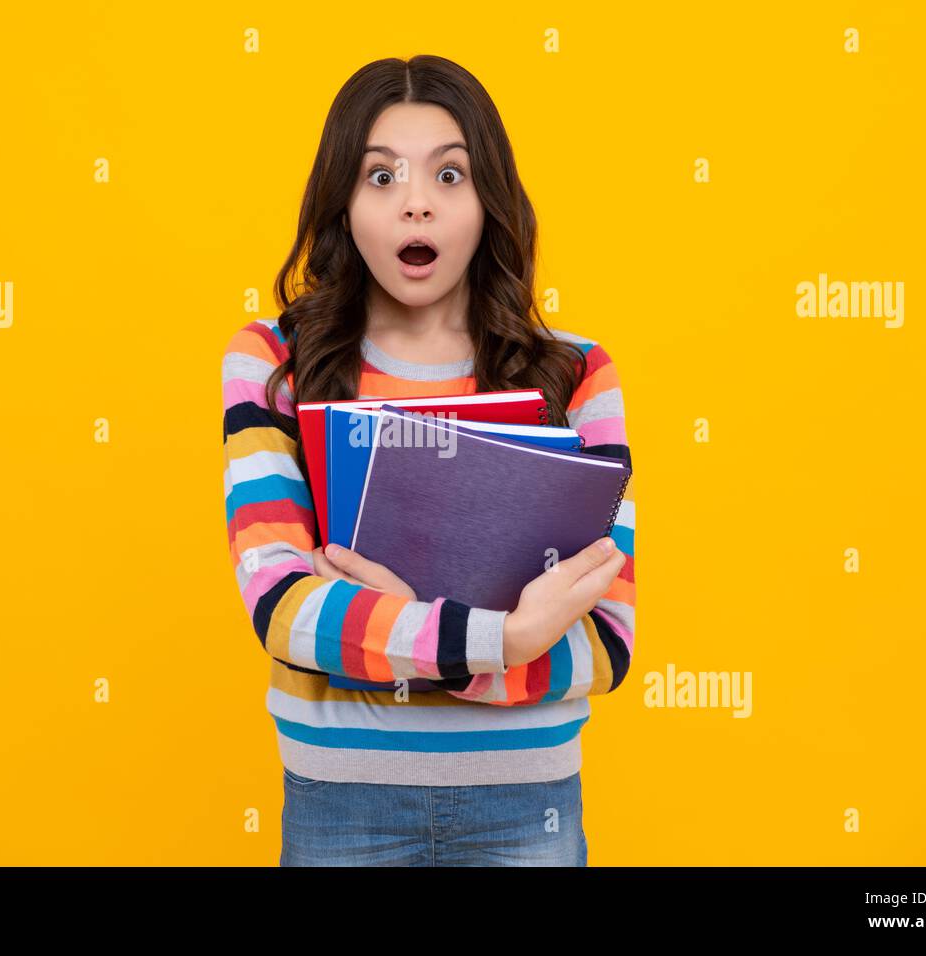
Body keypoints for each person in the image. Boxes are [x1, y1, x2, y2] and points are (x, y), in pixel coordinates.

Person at [221, 54, 635, 866]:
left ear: (489, 203)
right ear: (343, 202)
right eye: (381, 177)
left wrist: (405, 640)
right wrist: (507, 638)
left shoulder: (578, 372)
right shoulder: (273, 361)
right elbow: (282, 608)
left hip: (529, 807)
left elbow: (608, 640)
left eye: (451, 174)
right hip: (341, 802)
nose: (416, 201)